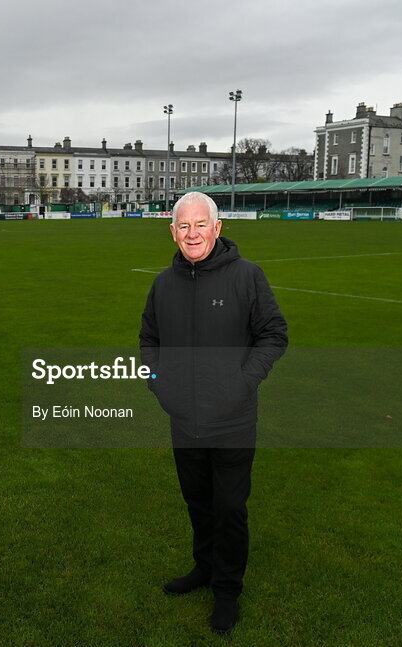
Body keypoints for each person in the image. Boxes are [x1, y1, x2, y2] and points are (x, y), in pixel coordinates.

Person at [139, 191, 287, 634]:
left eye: (200, 225)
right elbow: (148, 339)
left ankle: (226, 590)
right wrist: (160, 384)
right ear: (173, 232)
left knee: (229, 508)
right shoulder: (163, 284)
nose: (192, 234)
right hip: (183, 421)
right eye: (184, 226)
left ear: (217, 228)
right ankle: (203, 568)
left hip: (233, 421)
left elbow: (274, 335)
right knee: (198, 503)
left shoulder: (247, 276)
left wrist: (242, 384)